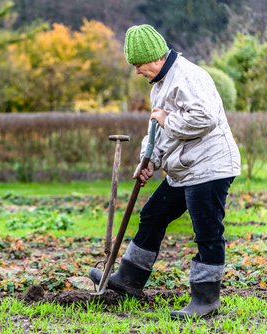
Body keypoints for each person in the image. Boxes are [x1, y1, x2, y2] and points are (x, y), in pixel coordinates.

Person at [89, 24, 241, 320]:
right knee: (153, 215)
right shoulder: (160, 84)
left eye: (137, 64)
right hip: (184, 169)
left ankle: (205, 299)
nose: (136, 71)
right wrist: (149, 160)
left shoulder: (188, 76)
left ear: (155, 58)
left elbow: (205, 118)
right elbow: (159, 132)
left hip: (209, 167)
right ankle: (129, 279)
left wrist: (167, 118)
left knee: (207, 232)